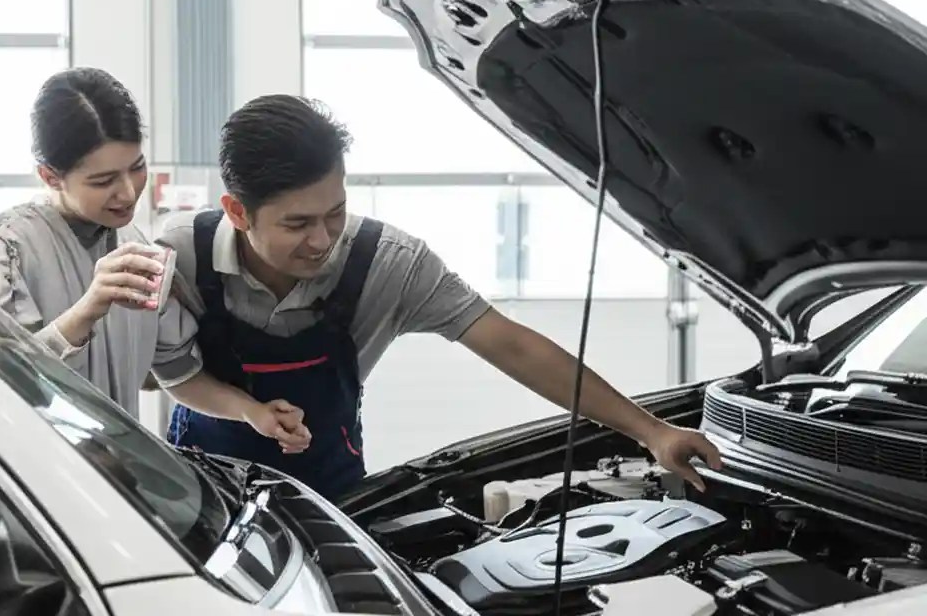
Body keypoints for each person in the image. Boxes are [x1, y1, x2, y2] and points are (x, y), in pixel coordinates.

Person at [150, 94, 723, 502]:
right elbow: (165, 374)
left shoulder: (389, 264)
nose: (322, 240)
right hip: (199, 493)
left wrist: (651, 431)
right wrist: (247, 411)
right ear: (237, 211)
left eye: (335, 212)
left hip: (330, 498)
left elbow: (513, 345)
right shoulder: (179, 255)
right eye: (298, 223)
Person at [0, 67, 308, 450]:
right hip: (36, 484)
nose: (127, 193)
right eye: (103, 180)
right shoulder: (3, 246)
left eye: (137, 168)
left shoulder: (135, 245)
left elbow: (175, 371)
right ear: (50, 176)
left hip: (116, 483)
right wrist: (88, 310)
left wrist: (251, 412)